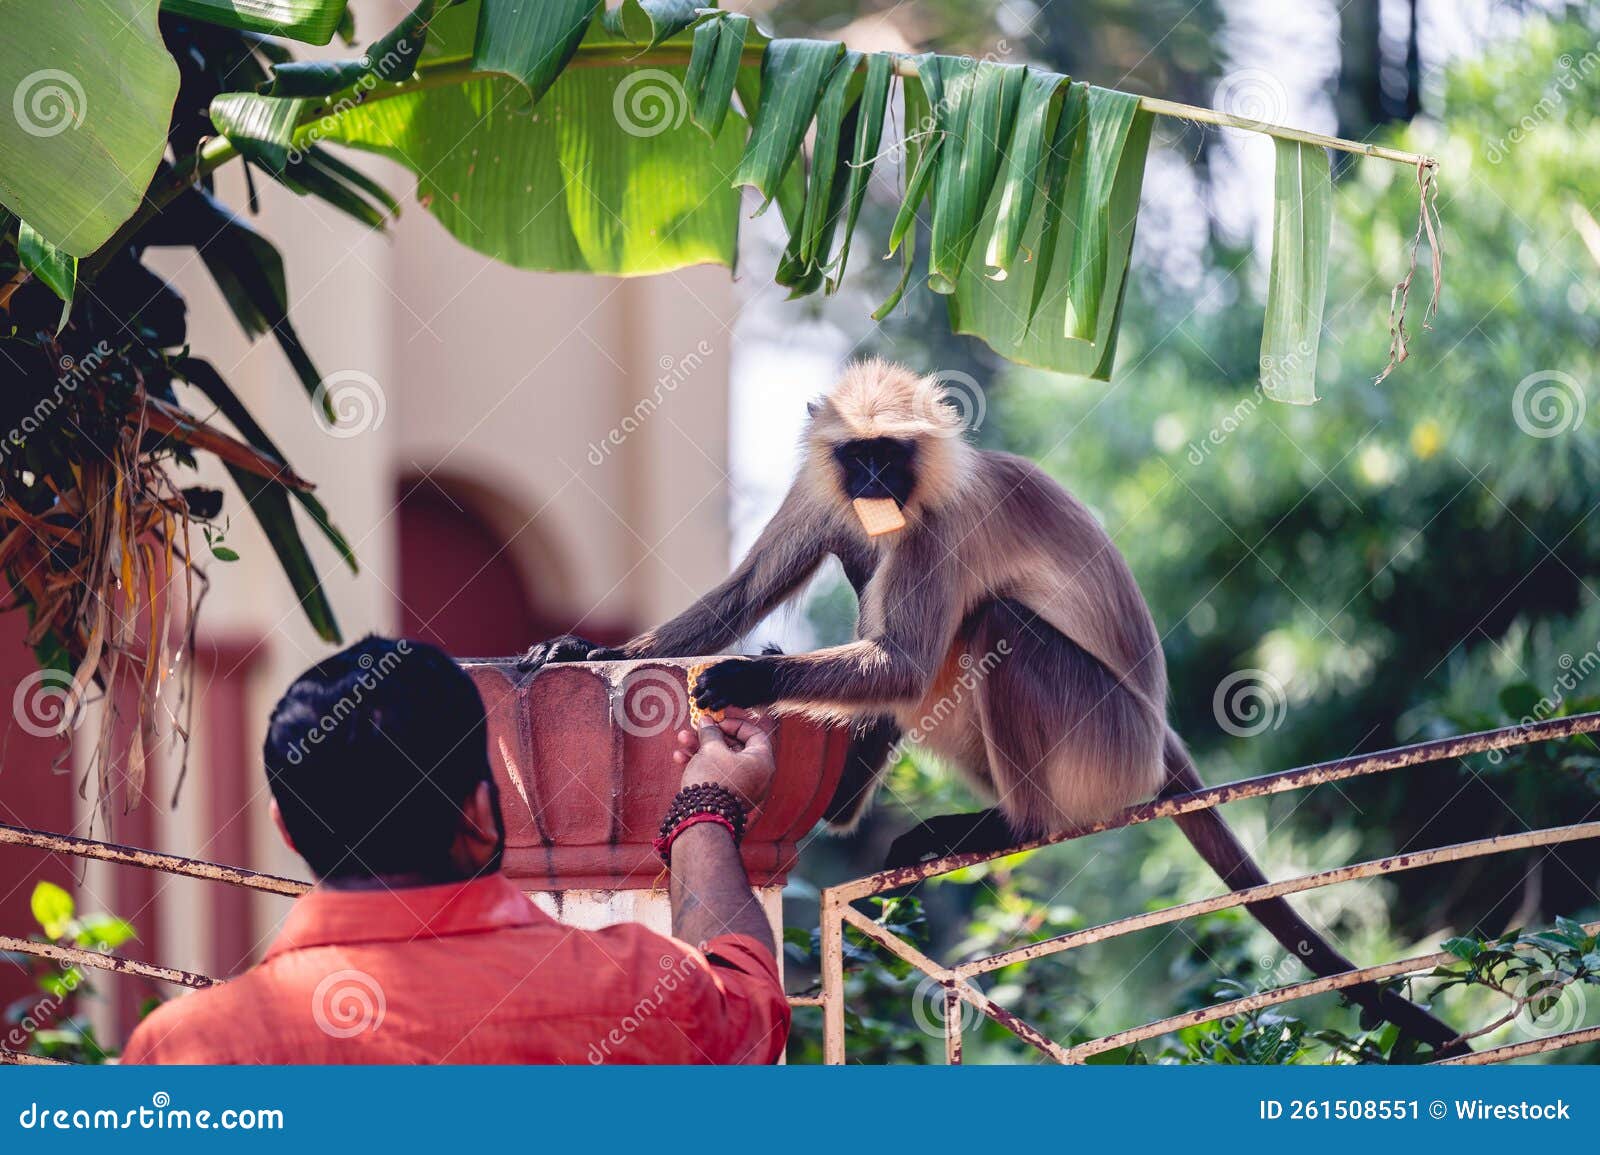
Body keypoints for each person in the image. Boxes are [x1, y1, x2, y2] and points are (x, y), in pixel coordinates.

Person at [122, 637, 790, 1064]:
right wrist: (707, 807)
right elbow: (749, 1011)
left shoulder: (188, 1050)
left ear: (286, 827)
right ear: (478, 811)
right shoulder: (638, 993)